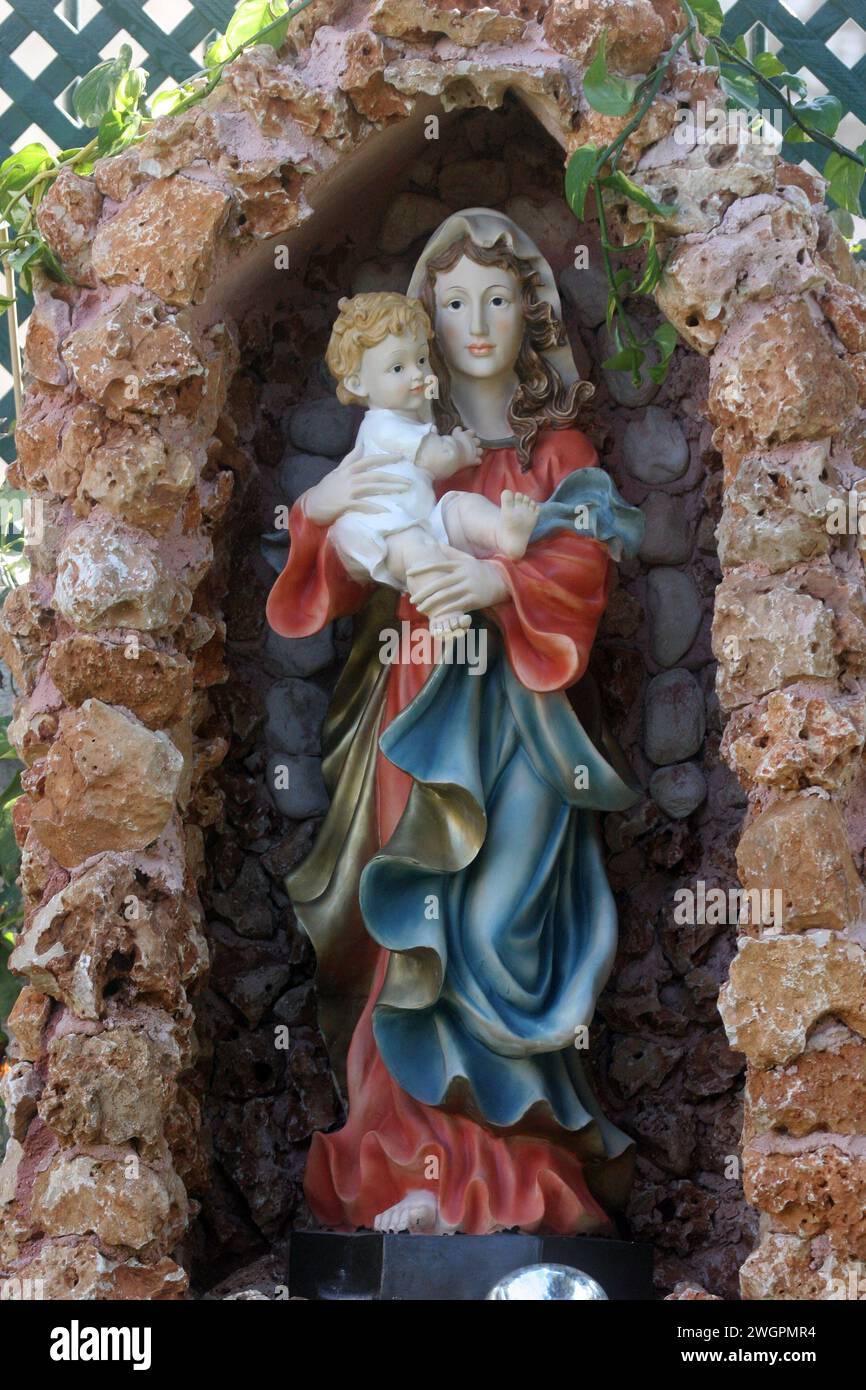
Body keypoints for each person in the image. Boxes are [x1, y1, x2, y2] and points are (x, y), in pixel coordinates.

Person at [267, 209, 645, 1236]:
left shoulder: (555, 449)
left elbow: (582, 568)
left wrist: (489, 576)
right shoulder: (398, 449)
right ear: (424, 317)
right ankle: (409, 1174)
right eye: (452, 300)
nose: (475, 322)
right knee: (411, 923)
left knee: (496, 927)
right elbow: (334, 562)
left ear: (531, 311)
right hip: (415, 705)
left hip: (522, 721)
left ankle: (510, 1167)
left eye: (496, 298)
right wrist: (326, 508)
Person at [324, 290, 539, 637]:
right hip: (385, 529)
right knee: (418, 550)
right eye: (398, 367)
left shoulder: (406, 415)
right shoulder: (384, 425)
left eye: (422, 361)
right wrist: (460, 448)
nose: (417, 374)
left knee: (461, 506)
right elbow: (435, 459)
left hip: (421, 518)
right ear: (357, 383)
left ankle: (502, 533)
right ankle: (442, 607)